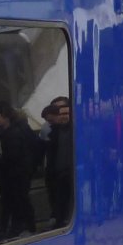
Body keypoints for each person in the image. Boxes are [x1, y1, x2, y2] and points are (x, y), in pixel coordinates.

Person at [0, 100, 38, 236]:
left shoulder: (12, 133)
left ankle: (18, 227)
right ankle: (26, 226)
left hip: (14, 173)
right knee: (21, 199)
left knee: (16, 200)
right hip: (23, 171)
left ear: (3, 115)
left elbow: (12, 155)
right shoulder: (22, 127)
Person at [40, 96, 73, 226]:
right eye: (60, 113)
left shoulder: (76, 130)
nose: (62, 116)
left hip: (71, 172)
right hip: (58, 173)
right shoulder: (53, 132)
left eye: (65, 113)